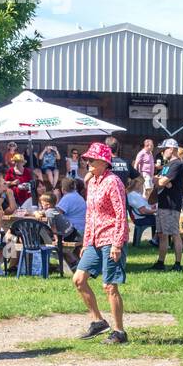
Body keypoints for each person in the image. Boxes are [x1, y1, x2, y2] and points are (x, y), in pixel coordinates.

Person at [73, 141, 131, 344]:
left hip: (110, 238)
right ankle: (98, 321)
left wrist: (117, 243)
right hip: (95, 239)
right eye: (87, 158)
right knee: (79, 279)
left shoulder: (113, 182)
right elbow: (90, 214)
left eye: (92, 159)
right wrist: (86, 241)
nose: (88, 161)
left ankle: (119, 332)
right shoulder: (93, 183)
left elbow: (121, 214)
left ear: (104, 162)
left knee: (109, 286)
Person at [151, 138, 183, 270]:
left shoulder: (177, 164)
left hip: (171, 205)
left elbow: (159, 182)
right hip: (163, 203)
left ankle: (177, 264)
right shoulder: (167, 166)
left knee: (174, 233)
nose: (162, 152)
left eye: (164, 149)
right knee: (162, 234)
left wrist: (161, 181)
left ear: (172, 149)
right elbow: (156, 179)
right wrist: (161, 180)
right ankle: (160, 262)